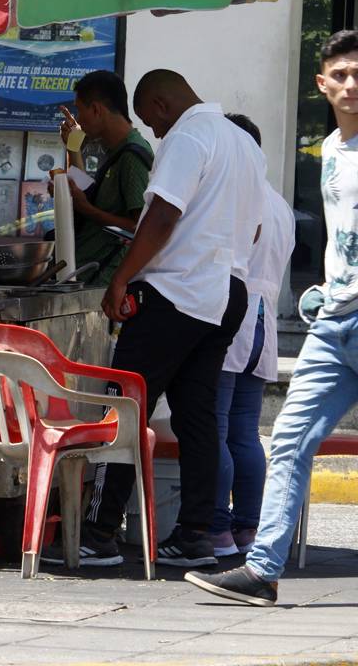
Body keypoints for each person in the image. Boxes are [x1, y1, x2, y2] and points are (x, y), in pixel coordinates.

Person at [53, 70, 265, 569]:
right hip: (227, 292)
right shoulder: (243, 143)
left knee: (124, 405)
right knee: (197, 417)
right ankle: (196, 533)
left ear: (161, 103)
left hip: (176, 291)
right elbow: (252, 231)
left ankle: (100, 532)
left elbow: (162, 216)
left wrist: (122, 278)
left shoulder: (190, 136)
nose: (155, 132)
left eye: (152, 121)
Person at [186, 30, 358, 606]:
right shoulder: (330, 150)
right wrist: (327, 290)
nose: (351, 85)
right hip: (333, 326)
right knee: (285, 438)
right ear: (322, 83)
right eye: (340, 75)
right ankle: (261, 571)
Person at [206, 114, 295, 558]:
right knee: (244, 433)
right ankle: (247, 529)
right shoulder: (280, 203)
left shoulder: (239, 196)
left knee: (217, 431)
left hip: (233, 316)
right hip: (265, 325)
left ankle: (217, 530)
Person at [57, 70, 153, 286]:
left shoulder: (132, 156)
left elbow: (141, 228)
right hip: (86, 274)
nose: (79, 121)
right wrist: (72, 148)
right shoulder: (116, 151)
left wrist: (88, 210)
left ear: (96, 110)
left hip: (103, 280)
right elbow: (88, 195)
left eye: (80, 112)